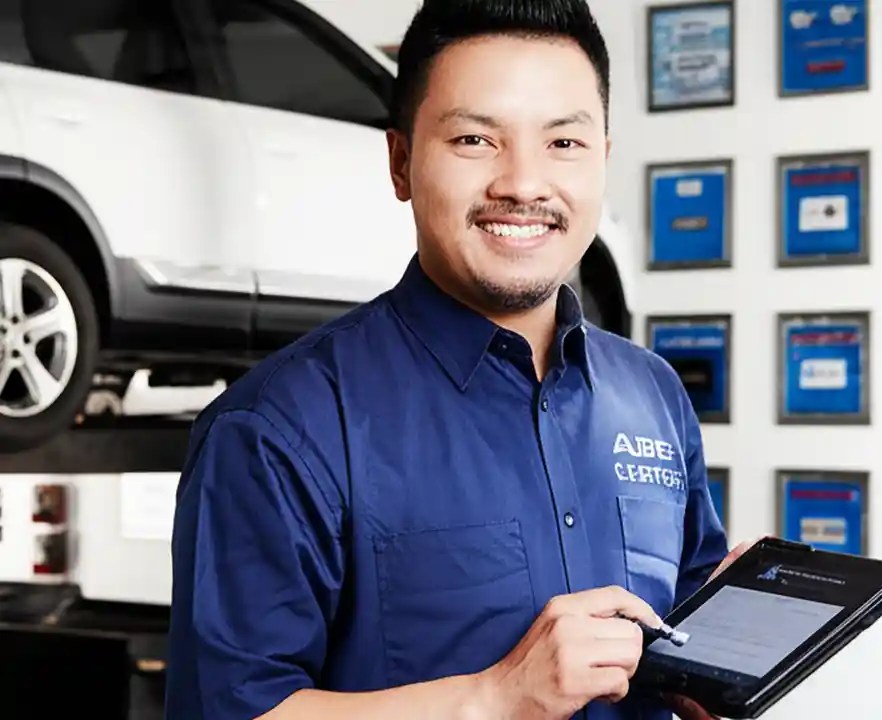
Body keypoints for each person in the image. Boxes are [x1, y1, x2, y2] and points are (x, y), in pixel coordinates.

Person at [165, 1, 749, 718]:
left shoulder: (653, 392)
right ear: (402, 162)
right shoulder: (278, 427)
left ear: (603, 158)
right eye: (476, 139)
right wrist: (493, 698)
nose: (524, 184)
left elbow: (681, 656)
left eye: (563, 144)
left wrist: (728, 663)